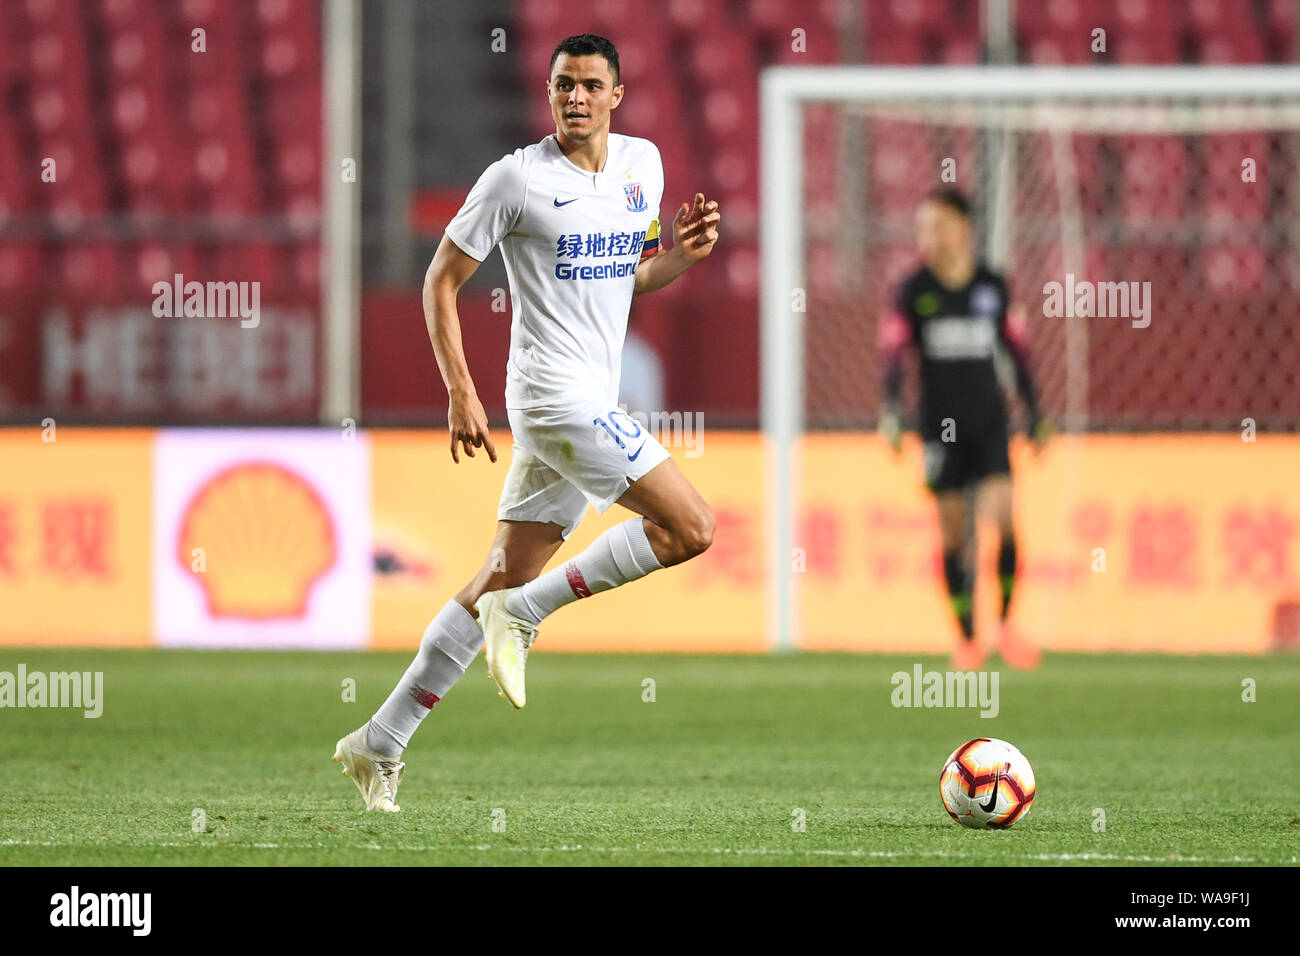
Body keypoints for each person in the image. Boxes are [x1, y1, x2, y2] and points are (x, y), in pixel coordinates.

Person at [332, 34, 722, 812]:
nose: (574, 98)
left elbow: (626, 278)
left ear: (616, 94)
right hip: (550, 396)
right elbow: (440, 279)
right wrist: (459, 389)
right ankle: (530, 614)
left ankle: (380, 740)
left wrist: (683, 258)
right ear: (548, 93)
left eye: (588, 86)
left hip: (592, 396)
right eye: (561, 85)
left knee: (501, 575)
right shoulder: (515, 179)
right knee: (692, 528)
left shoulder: (643, 168)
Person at [878, 189, 1048, 673]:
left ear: (963, 229)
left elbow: (1018, 353)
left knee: (1006, 523)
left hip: (990, 424)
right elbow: (893, 358)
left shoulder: (992, 287)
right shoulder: (913, 290)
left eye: (936, 226)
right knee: (953, 536)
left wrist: (1035, 414)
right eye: (922, 228)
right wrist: (890, 412)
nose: (927, 237)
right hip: (938, 430)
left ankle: (1007, 627)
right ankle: (969, 637)